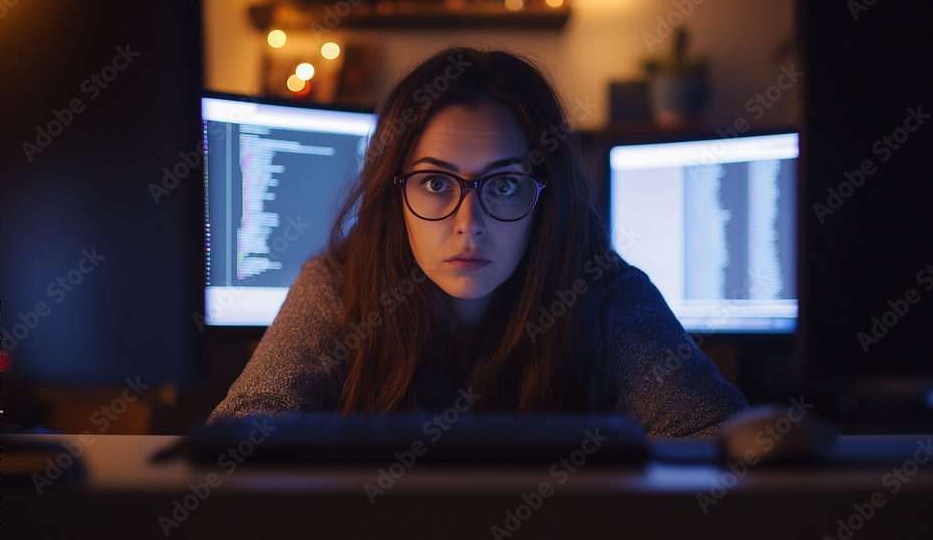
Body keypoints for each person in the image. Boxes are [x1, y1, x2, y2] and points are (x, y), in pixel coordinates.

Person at [208, 46, 747, 437]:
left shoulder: (604, 292)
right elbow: (240, 439)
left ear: (546, 197)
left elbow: (716, 442)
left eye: (505, 184)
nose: (470, 223)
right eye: (436, 182)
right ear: (395, 194)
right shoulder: (339, 286)